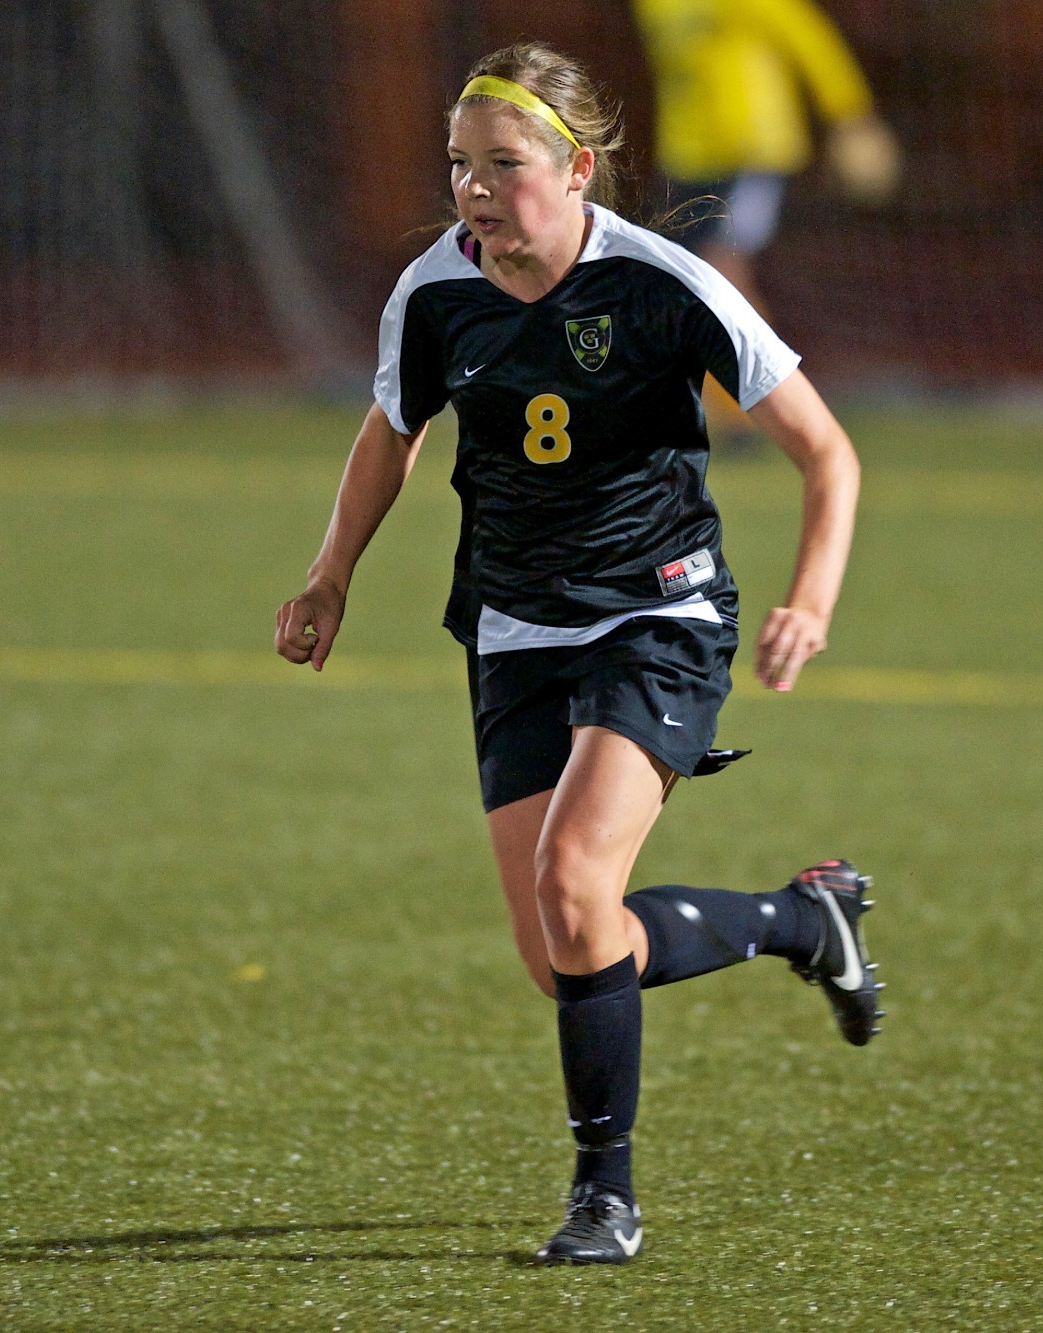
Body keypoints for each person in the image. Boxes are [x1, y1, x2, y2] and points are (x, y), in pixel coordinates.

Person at [273, 41, 881, 1266]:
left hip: (657, 617)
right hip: (511, 630)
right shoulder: (433, 292)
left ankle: (603, 1198)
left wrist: (809, 598)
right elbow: (390, 433)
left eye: (503, 165)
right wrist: (330, 573)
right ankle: (799, 920)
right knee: (565, 956)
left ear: (576, 167)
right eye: (457, 167)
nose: (476, 192)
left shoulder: (662, 285)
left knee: (571, 888)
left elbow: (827, 451)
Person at [633, 0, 900, 430]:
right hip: (685, 154)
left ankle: (747, 409)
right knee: (672, 279)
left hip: (753, 145)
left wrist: (852, 117)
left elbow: (811, 41)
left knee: (724, 270)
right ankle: (692, 402)